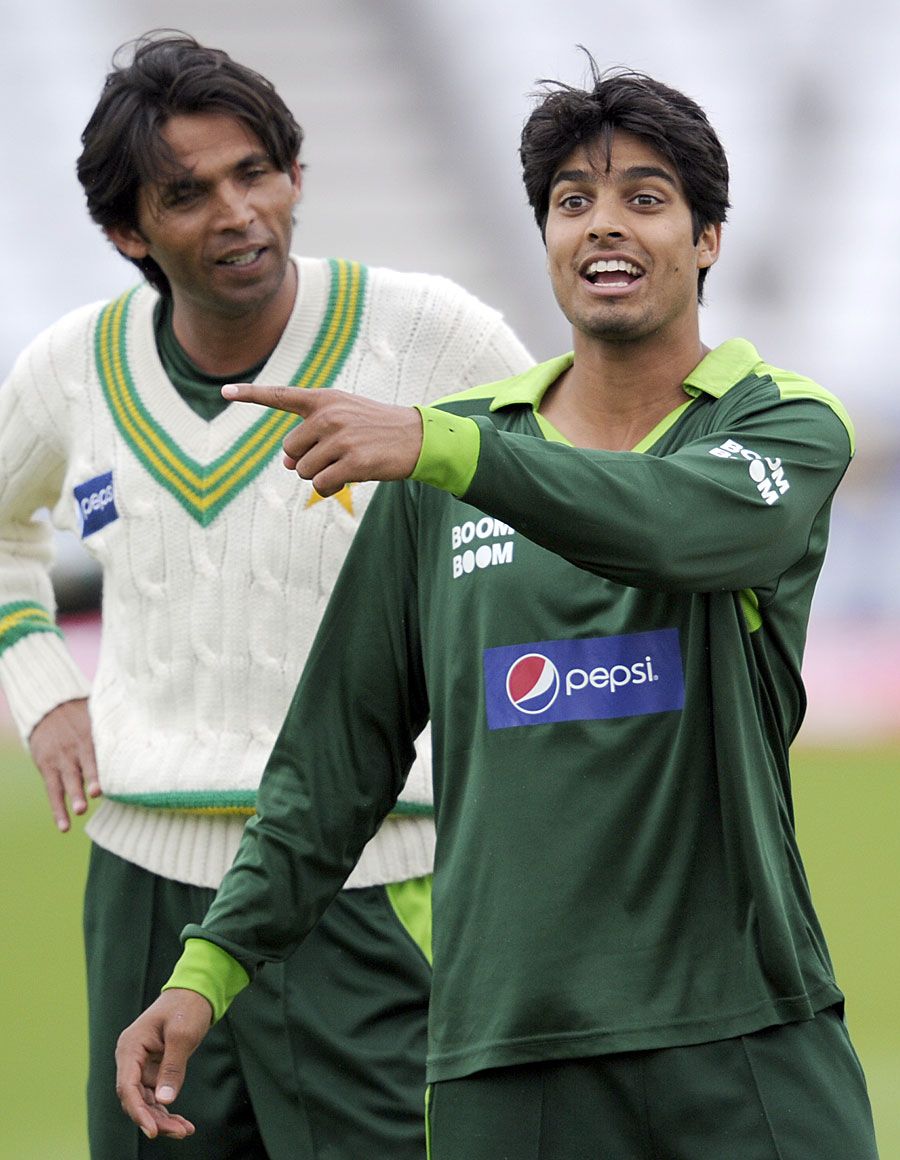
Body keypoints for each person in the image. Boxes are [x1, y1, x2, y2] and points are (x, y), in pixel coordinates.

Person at [115, 61, 880, 1159]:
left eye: (644, 199)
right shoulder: (447, 469)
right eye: (573, 201)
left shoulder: (778, 424)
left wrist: (445, 447)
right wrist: (206, 969)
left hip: (746, 1040)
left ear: (708, 237)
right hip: (507, 1064)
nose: (603, 226)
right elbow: (334, 759)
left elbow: (686, 525)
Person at [0, 30, 532, 1160]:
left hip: (370, 874)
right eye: (187, 193)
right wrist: (42, 682)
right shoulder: (67, 366)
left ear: (298, 175)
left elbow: (562, 487)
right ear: (125, 231)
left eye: (256, 172)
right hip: (146, 882)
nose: (237, 211)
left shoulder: (431, 332)